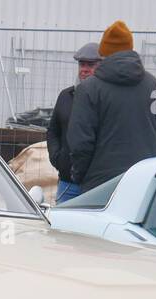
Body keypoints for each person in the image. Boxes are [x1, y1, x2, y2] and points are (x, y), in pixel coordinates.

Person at [64, 20, 156, 194]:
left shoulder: (89, 89)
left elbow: (80, 142)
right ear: (130, 49)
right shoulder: (153, 86)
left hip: (100, 186)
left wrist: (81, 175)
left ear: (103, 53)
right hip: (146, 185)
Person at [47, 42, 102, 203]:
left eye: (90, 65)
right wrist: (57, 158)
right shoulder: (66, 96)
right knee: (61, 226)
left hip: (97, 184)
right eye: (81, 64)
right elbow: (53, 131)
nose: (84, 69)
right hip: (67, 183)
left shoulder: (106, 99)